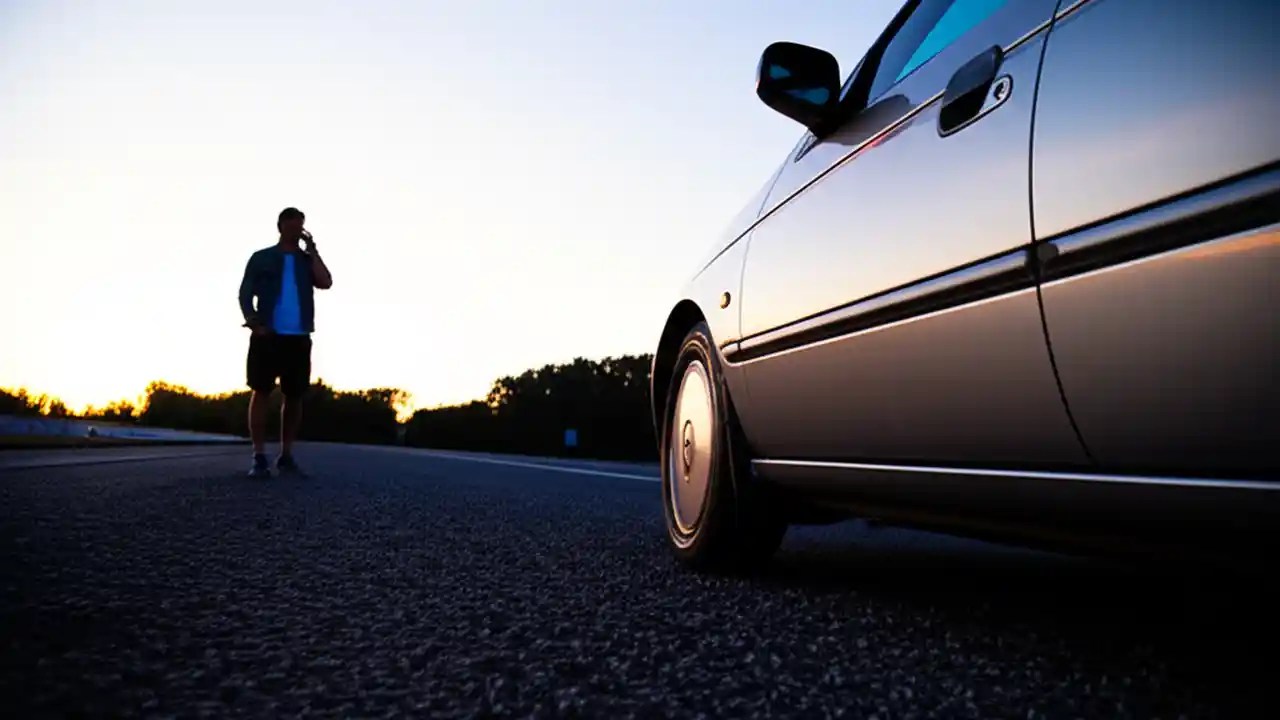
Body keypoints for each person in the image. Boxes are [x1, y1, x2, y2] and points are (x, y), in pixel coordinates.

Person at [237, 207, 333, 478]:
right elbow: (245, 293)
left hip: (299, 336)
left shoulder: (306, 260)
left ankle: (286, 455)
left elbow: (325, 282)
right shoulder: (262, 258)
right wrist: (254, 322)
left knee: (294, 395)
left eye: (300, 226)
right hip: (268, 335)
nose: (295, 230)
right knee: (261, 390)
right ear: (280, 226)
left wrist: (312, 250)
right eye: (291, 225)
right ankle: (258, 455)